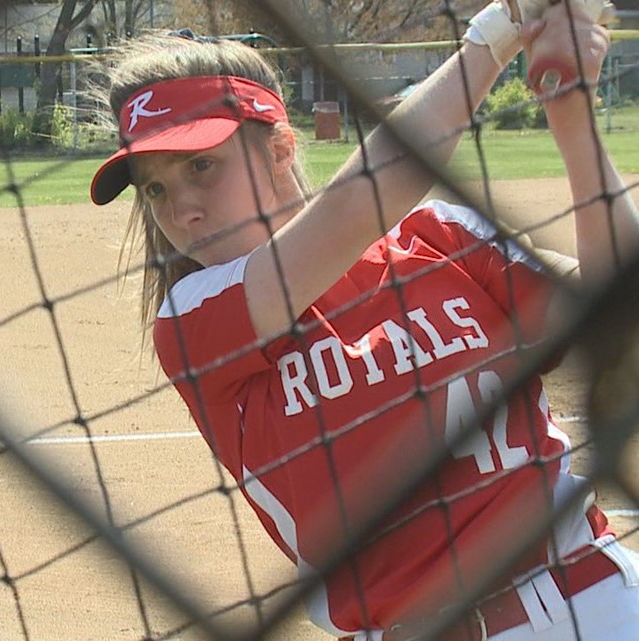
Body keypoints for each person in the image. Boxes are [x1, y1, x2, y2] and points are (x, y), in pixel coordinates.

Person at [90, 2, 639, 639]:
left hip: (593, 602)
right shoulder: (194, 324)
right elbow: (358, 208)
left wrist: (570, 109)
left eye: (201, 166)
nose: (182, 209)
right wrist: (496, 34)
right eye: (155, 188)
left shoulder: (441, 238)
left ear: (279, 149)